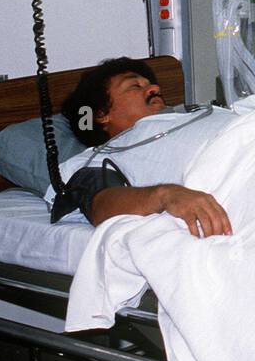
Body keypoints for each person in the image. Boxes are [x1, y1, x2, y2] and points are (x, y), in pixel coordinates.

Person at [54, 57, 233, 236]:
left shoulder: (198, 114)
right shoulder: (101, 156)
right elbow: (100, 204)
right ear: (101, 114)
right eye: (135, 86)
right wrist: (165, 195)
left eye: (152, 84)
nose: (156, 89)